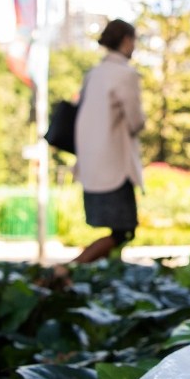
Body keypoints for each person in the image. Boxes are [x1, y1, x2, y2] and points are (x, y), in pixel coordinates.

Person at [66, 19, 145, 265]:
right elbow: (136, 122)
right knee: (124, 231)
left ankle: (105, 275)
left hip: (91, 164)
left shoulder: (93, 74)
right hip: (115, 168)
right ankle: (69, 268)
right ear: (126, 41)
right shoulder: (125, 74)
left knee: (117, 231)